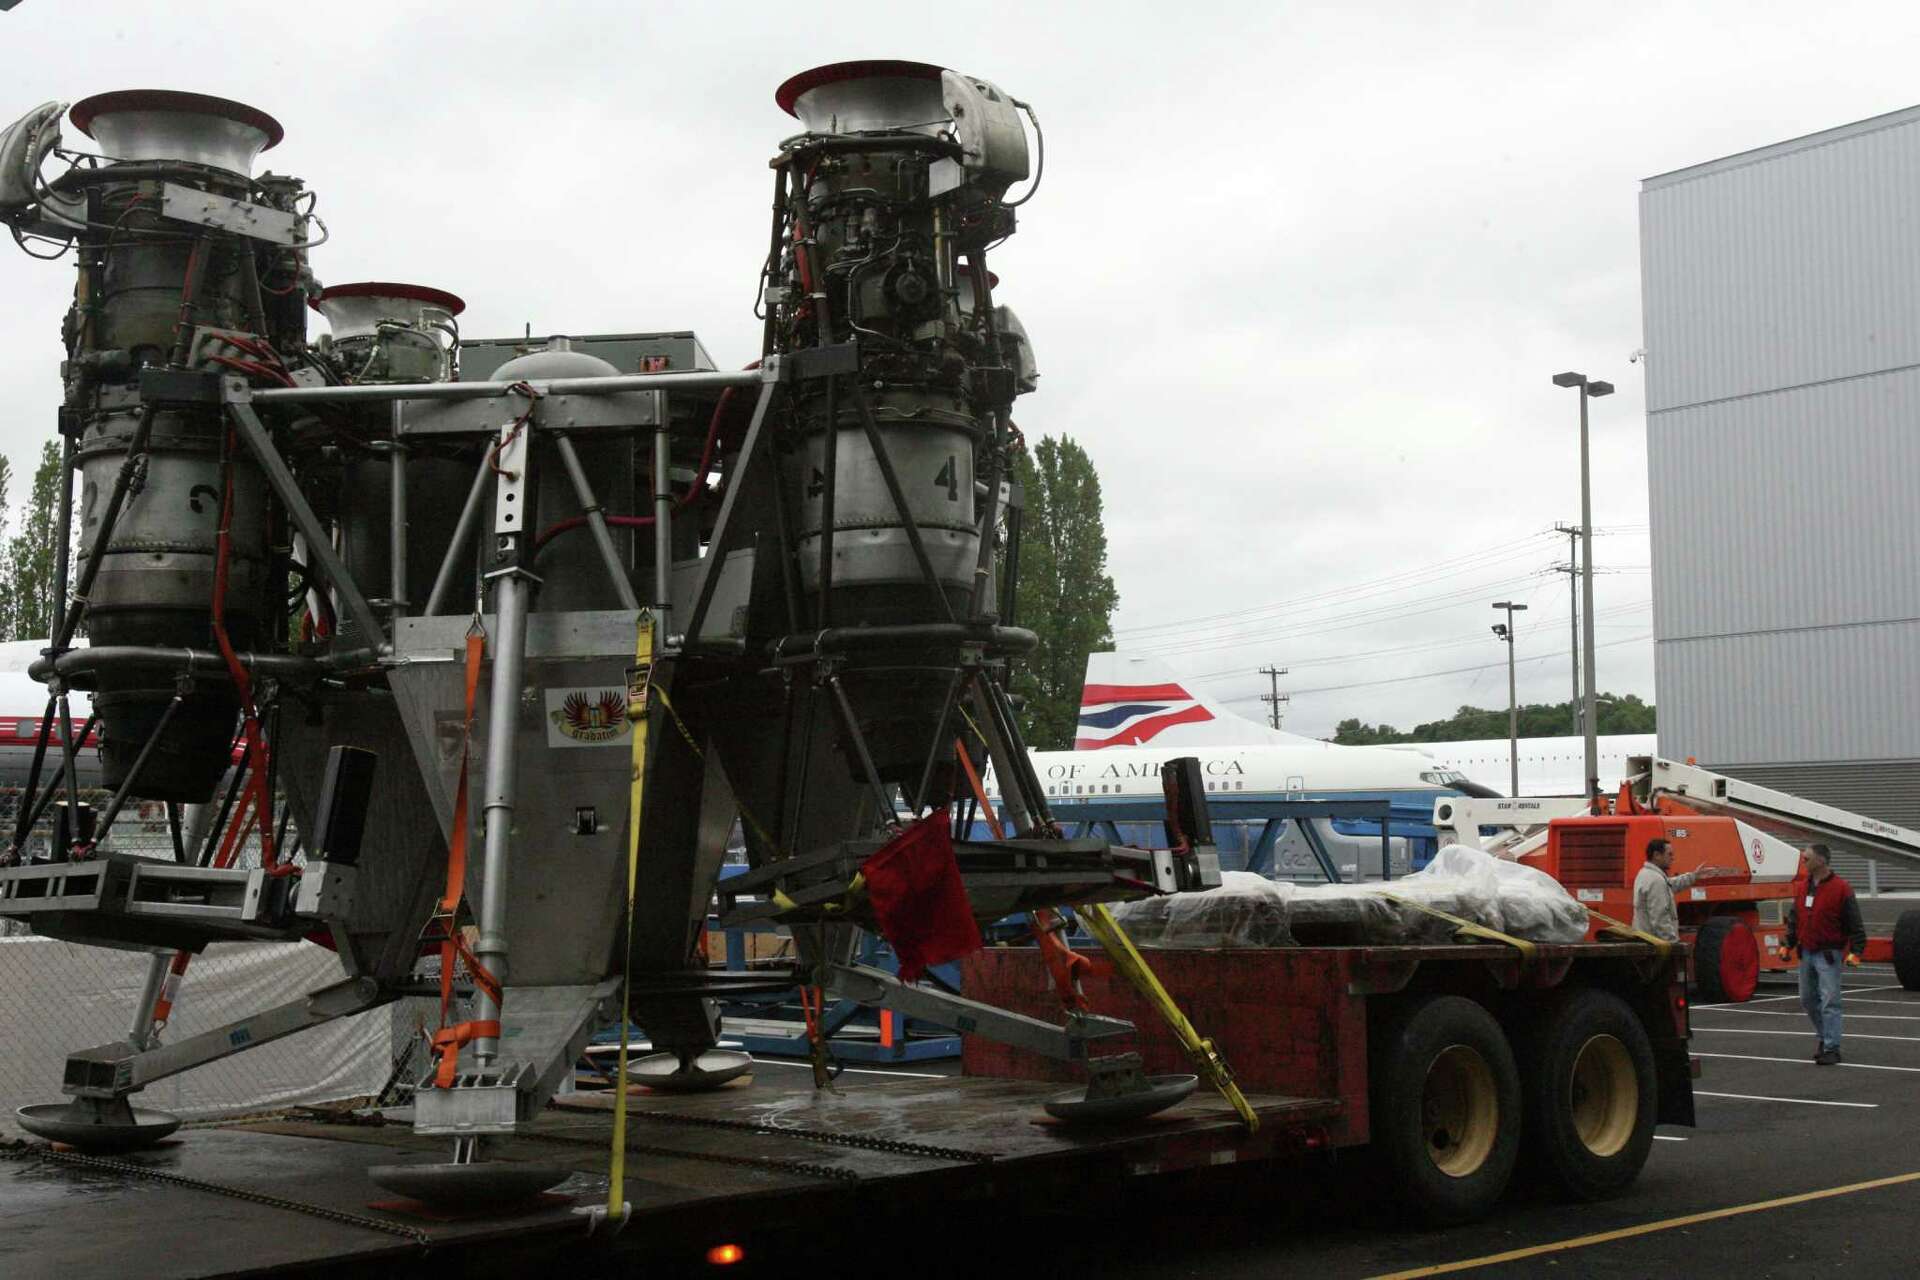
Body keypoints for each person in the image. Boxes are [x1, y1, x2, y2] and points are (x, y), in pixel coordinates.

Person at [1780, 843, 1867, 1065]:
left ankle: (1831, 1047)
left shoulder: (1842, 888)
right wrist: (1787, 943)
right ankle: (1824, 1036)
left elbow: (1854, 922)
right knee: (1808, 999)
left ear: (1821, 860)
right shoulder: (1802, 888)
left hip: (1829, 953)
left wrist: (1857, 950)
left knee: (1830, 1001)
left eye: (1807, 858)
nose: (1803, 861)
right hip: (1806, 951)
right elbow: (1794, 917)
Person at [1631, 837, 1737, 943]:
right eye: (1669, 854)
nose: (1672, 858)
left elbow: (1669, 885)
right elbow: (1660, 917)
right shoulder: (1655, 880)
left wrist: (1694, 876)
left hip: (1647, 939)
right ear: (1657, 855)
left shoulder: (1646, 874)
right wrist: (1672, 943)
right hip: (1655, 943)